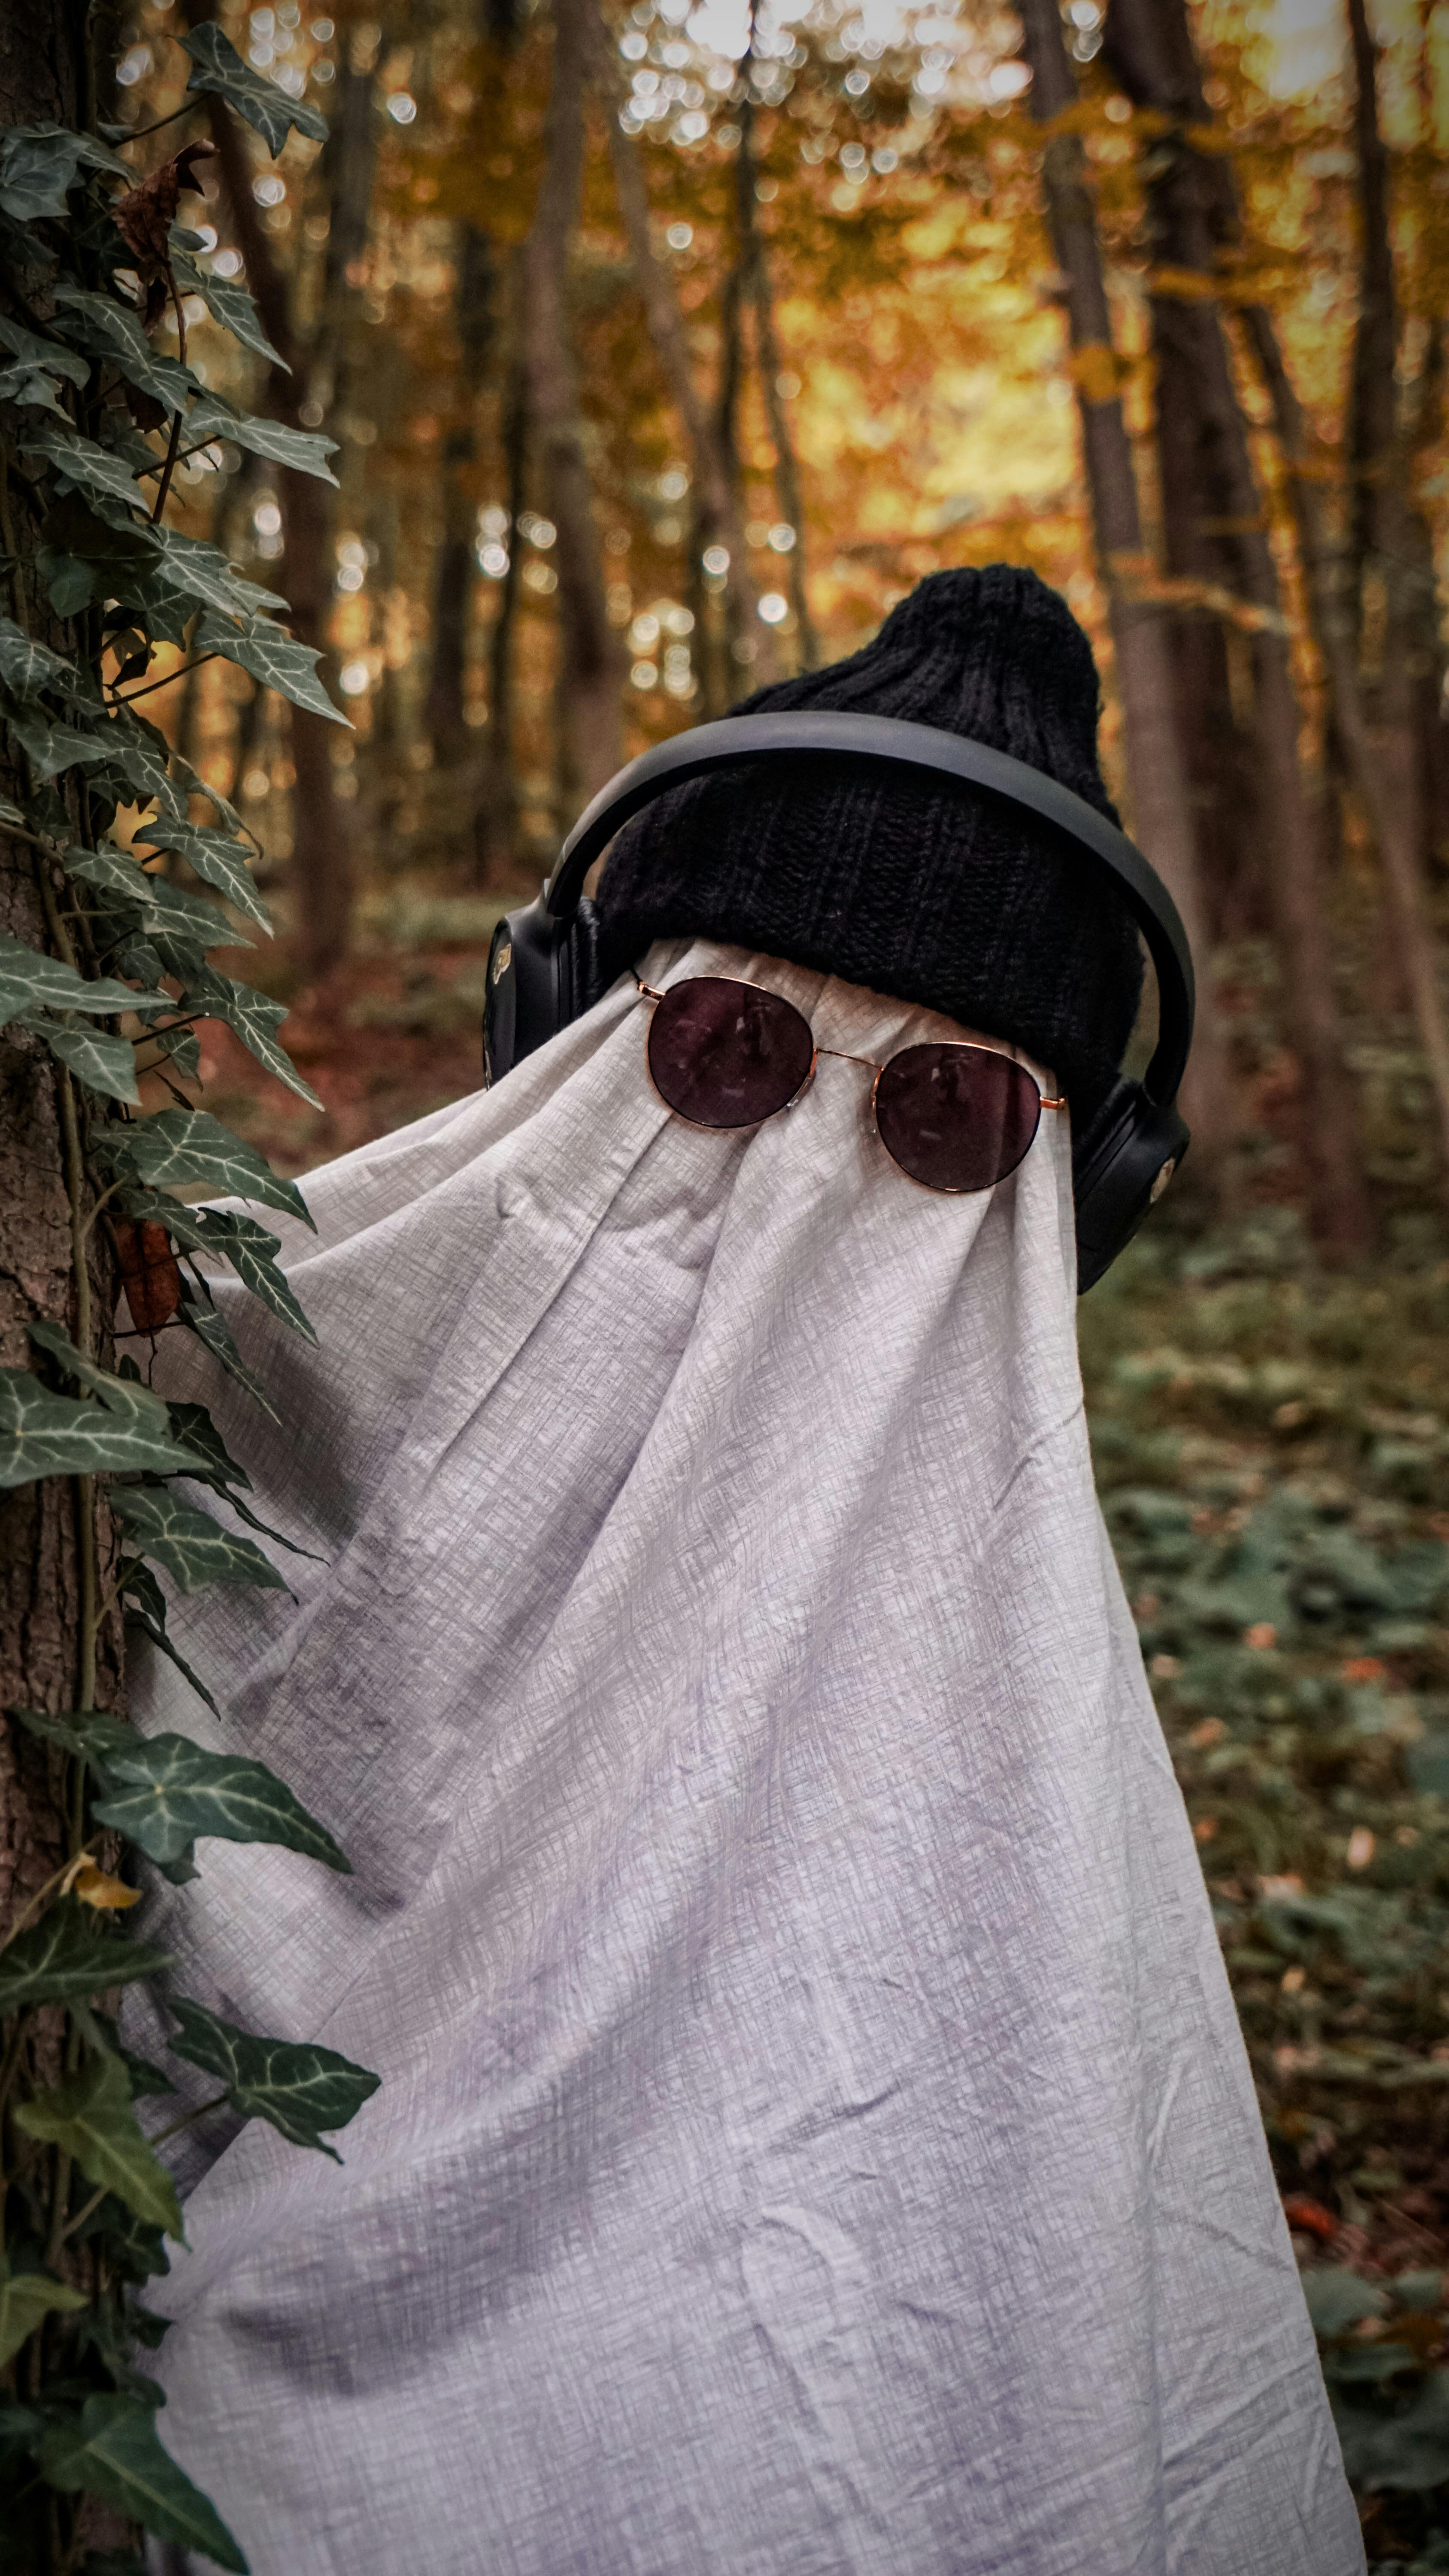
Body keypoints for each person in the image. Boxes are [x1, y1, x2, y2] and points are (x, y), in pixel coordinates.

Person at [131, 568, 1363, 2574]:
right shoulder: (171, 1367)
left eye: (943, 1121)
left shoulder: (1025, 1841)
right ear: (574, 1029)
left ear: (1067, 1202)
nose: (796, 1181)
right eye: (725, 1056)